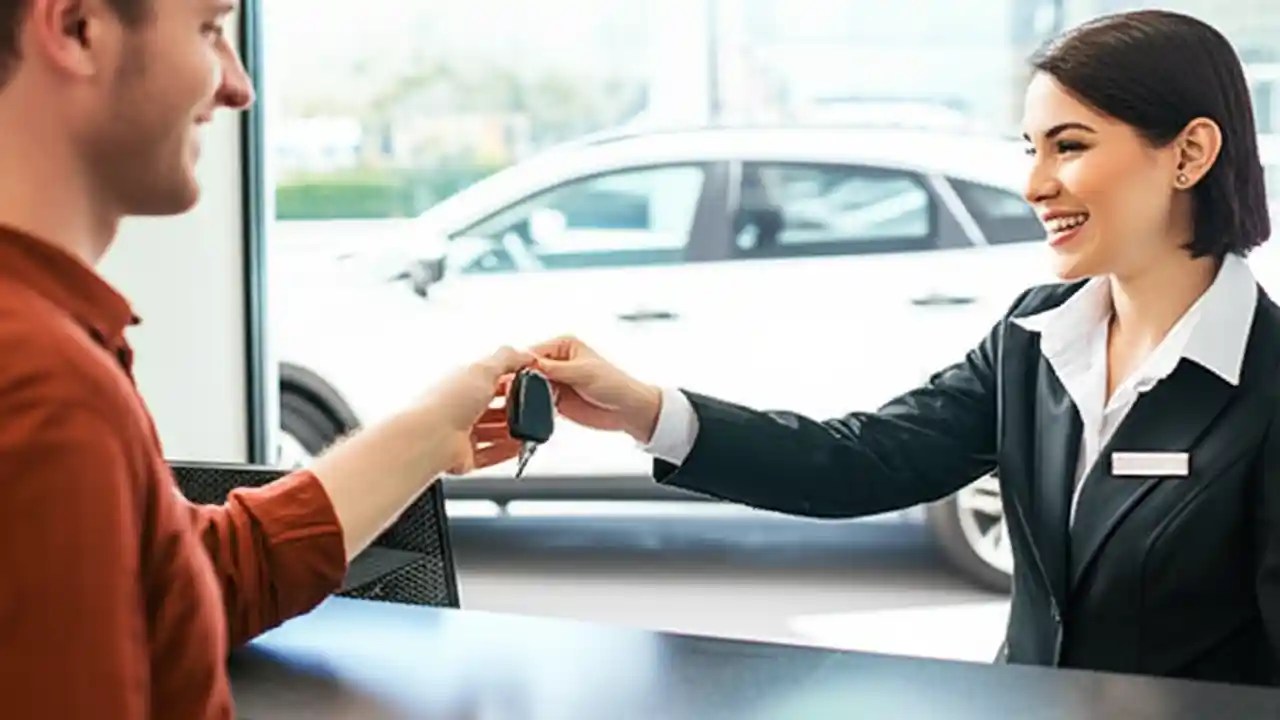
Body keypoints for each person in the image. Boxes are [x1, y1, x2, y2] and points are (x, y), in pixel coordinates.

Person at [529, 10, 1280, 686]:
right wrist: (647, 411)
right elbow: (864, 461)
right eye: (1030, 149)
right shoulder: (1037, 338)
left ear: (1190, 154)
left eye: (1070, 147)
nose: (1035, 184)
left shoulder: (1268, 381)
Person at [0, 0, 526, 717]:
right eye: (210, 30)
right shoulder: (44, 384)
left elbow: (196, 581)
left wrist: (429, 433)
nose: (238, 87)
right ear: (76, 29)